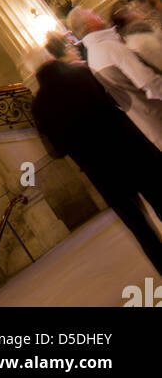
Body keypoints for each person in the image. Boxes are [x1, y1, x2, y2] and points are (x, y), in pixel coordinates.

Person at [31, 56, 162, 275]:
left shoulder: (39, 105)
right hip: (129, 149)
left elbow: (56, 151)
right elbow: (115, 102)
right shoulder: (81, 73)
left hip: (101, 170)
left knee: (139, 227)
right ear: (52, 59)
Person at [68, 6, 162, 149]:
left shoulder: (93, 54)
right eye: (92, 13)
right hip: (156, 111)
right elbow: (147, 81)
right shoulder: (108, 47)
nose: (97, 13)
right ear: (88, 25)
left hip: (147, 120)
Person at [112, 4, 162, 75]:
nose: (139, 10)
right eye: (133, 10)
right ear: (127, 17)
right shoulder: (140, 39)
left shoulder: (143, 31)